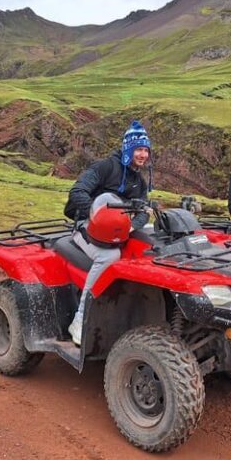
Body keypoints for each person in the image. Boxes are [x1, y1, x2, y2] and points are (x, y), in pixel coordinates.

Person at [64, 120, 152, 345]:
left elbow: (143, 211)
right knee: (108, 256)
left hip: (117, 232)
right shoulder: (106, 167)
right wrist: (96, 213)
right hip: (87, 226)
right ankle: (81, 319)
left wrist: (132, 226)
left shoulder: (140, 182)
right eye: (138, 149)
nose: (142, 155)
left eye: (145, 150)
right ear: (128, 149)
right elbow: (77, 191)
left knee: (149, 247)